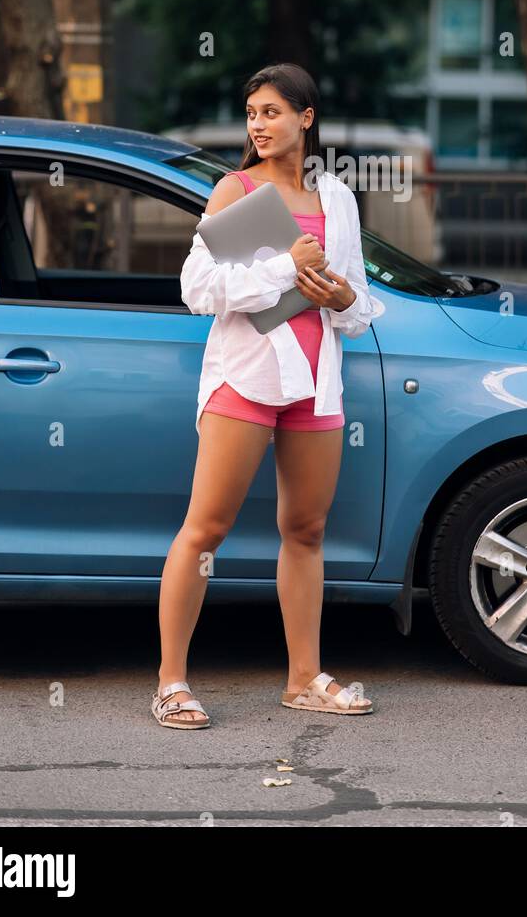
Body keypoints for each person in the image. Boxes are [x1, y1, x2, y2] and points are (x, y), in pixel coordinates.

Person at [152, 62, 386, 728]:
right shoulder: (236, 190)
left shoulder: (336, 197)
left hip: (317, 384)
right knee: (207, 529)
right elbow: (197, 289)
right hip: (247, 379)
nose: (258, 123)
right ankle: (172, 682)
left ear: (306, 118)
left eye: (271, 111)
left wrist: (340, 295)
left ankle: (304, 678)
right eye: (252, 112)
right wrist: (287, 266)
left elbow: (356, 301)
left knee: (306, 529)